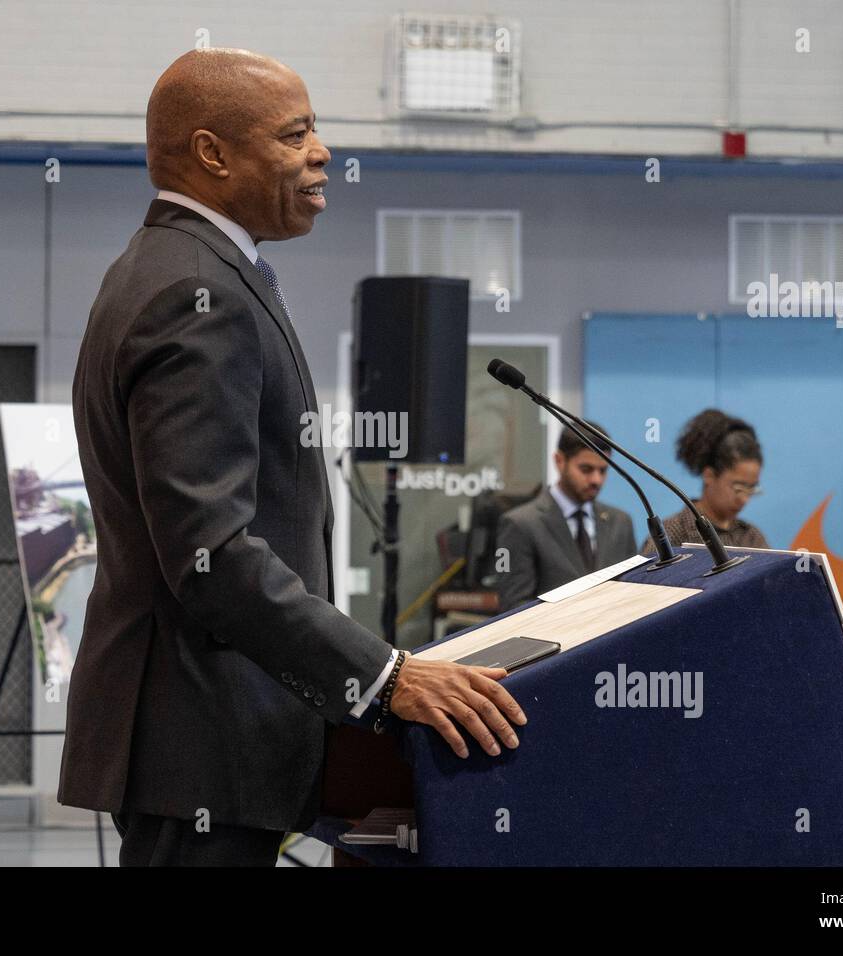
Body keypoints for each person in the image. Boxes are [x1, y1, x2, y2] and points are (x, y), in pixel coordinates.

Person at [59, 48, 526, 866]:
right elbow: (211, 555)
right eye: (296, 133)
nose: (324, 153)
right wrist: (385, 678)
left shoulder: (184, 270)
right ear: (214, 154)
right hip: (197, 737)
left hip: (208, 737)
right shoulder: (193, 293)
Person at [495, 423, 637, 610]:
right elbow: (514, 607)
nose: (596, 480)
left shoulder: (620, 523)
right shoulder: (520, 524)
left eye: (603, 470)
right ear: (559, 461)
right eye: (586, 469)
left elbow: (633, 595)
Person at [641, 409, 768, 554]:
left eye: (751, 489)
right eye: (738, 488)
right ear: (709, 475)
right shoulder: (672, 534)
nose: (744, 499)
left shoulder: (752, 538)